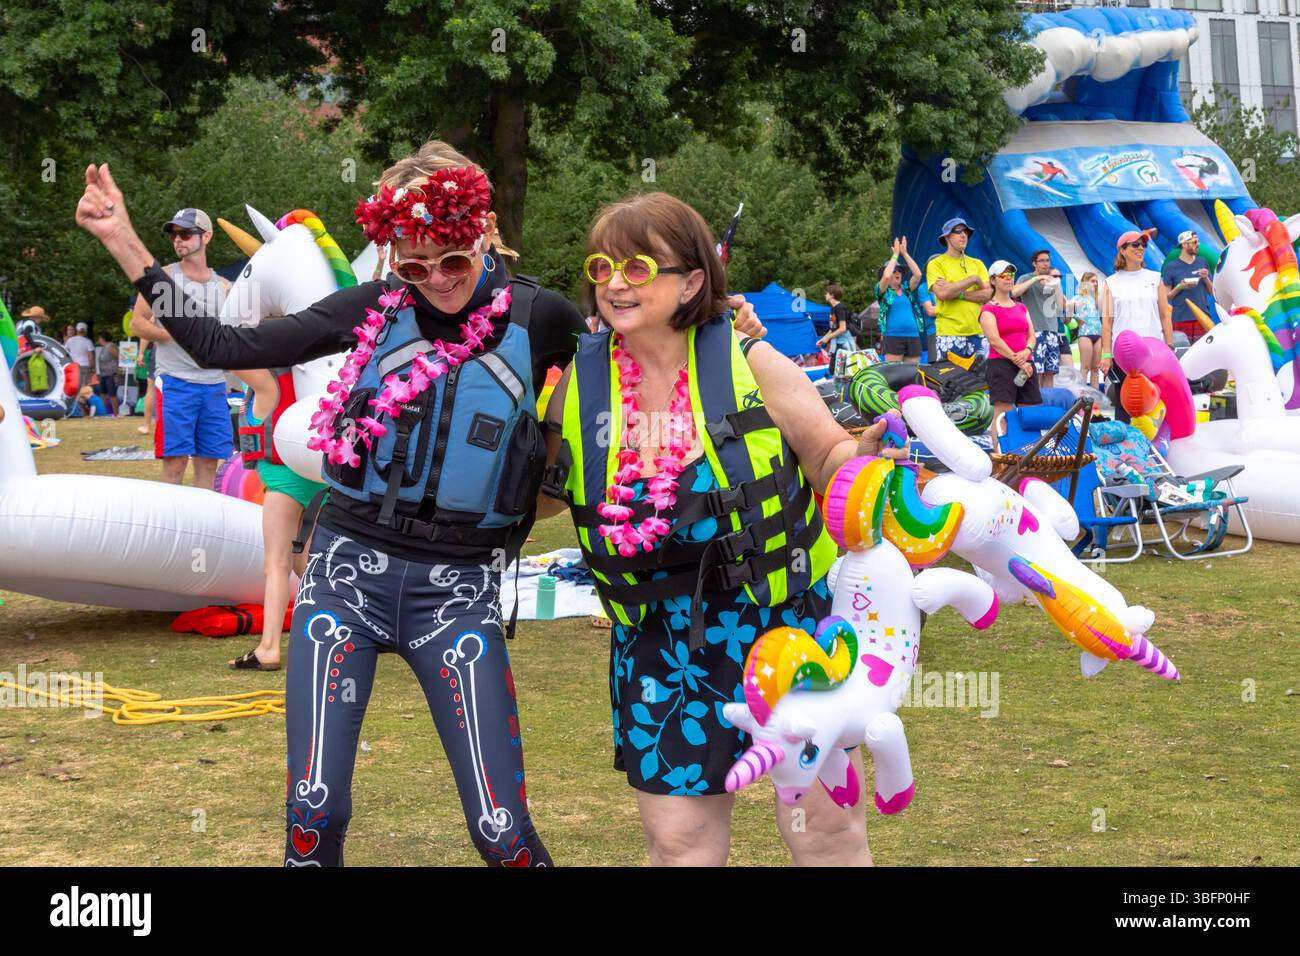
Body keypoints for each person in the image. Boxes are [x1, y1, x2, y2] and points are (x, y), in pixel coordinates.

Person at [75, 146, 764, 867]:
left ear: (485, 233)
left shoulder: (545, 319)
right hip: (344, 578)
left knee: (501, 830)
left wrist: (723, 329)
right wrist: (125, 241)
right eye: (413, 266)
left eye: (453, 263)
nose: (435, 281)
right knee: (313, 810)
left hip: (458, 594)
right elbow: (224, 342)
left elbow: (646, 348)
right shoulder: (375, 309)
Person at [540, 191, 907, 866]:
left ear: (694, 281)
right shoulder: (576, 387)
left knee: (823, 830)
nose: (614, 284)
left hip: (790, 628)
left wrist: (866, 457)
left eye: (638, 267)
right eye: (602, 268)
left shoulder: (751, 363)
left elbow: (827, 453)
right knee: (681, 844)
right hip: (659, 646)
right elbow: (544, 496)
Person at [129, 208, 233, 489]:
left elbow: (238, 332)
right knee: (175, 463)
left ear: (207, 236)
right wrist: (174, 334)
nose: (178, 240)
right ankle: (168, 531)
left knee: (208, 463)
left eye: (186, 233)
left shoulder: (223, 287)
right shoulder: (165, 278)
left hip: (213, 385)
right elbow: (137, 323)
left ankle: (203, 530)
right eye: (174, 235)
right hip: (175, 383)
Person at [1099, 230, 1172, 423]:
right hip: (1124, 355)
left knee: (1156, 400)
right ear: (1122, 250)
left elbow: (1165, 314)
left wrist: (1170, 346)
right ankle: (1125, 449)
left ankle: (1156, 447)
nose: (1141, 248)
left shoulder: (1155, 278)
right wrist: (1106, 355)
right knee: (1125, 404)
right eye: (1135, 244)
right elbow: (1107, 322)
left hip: (1153, 350)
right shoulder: (1111, 283)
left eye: (1143, 245)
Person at [978, 260, 1040, 453]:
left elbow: (1031, 335)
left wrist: (1027, 351)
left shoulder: (1021, 307)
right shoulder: (988, 309)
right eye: (1004, 275)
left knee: (1030, 412)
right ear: (993, 280)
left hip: (1026, 365)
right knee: (1002, 415)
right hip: (1002, 365)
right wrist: (1019, 360)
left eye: (1011, 275)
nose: (1009, 278)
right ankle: (1001, 456)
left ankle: (1029, 455)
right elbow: (994, 340)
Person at [926, 218, 992, 360]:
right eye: (957, 231)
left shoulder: (977, 263)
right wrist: (973, 280)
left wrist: (957, 292)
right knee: (950, 381)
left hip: (978, 332)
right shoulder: (936, 264)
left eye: (966, 231)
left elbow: (988, 294)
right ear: (946, 237)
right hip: (949, 333)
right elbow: (943, 293)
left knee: (980, 381)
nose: (963, 235)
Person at [1013, 250, 1065, 389]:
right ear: (1034, 263)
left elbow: (1061, 307)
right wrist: (1036, 279)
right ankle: (1035, 404)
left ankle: (1047, 405)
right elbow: (1014, 292)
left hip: (1052, 332)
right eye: (1042, 260)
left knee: (1050, 372)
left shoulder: (1053, 281)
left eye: (1047, 260)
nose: (1045, 263)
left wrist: (1057, 286)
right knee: (1036, 371)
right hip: (1034, 332)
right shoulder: (1026, 278)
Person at [873, 237, 925, 363]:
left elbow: (918, 274)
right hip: (893, 336)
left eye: (900, 271)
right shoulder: (883, 291)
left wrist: (905, 254)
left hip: (913, 336)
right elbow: (886, 276)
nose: (898, 273)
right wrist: (895, 255)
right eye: (894, 271)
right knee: (894, 375)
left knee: (913, 374)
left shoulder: (907, 289)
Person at [1161, 229, 1214, 343]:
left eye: (1198, 241)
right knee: (1184, 354)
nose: (1198, 244)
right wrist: (1180, 287)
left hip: (1202, 317)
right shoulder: (1171, 267)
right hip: (1181, 319)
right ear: (1184, 245)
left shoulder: (1202, 262)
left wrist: (1206, 278)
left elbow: (1211, 291)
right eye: (1194, 242)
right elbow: (1166, 297)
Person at [1067, 272, 1103, 390]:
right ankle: (1081, 397)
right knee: (1085, 367)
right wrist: (1076, 318)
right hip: (1085, 334)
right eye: (1092, 281)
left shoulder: (1097, 299)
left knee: (1095, 368)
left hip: (1098, 334)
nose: (1095, 283)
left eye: (1096, 281)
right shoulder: (1077, 299)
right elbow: (1066, 318)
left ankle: (1095, 398)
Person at [817, 284, 855, 358]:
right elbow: (833, 328)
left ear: (832, 295)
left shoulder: (840, 308)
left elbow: (842, 328)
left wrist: (828, 338)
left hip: (843, 343)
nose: (825, 295)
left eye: (827, 293)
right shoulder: (833, 309)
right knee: (833, 368)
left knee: (839, 368)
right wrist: (823, 339)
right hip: (836, 342)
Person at [94, 331, 119, 416]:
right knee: (102, 393)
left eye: (100, 338)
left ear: (103, 338)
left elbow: (119, 356)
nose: (99, 340)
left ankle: (116, 413)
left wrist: (118, 369)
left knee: (112, 394)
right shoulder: (103, 348)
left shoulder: (111, 346)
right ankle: (103, 412)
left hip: (111, 374)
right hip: (103, 374)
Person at [65, 322, 95, 391]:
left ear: (76, 330)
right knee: (84, 385)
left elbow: (65, 351)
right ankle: (82, 400)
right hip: (85, 365)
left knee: (75, 384)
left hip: (74, 365)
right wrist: (92, 368)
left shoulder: (70, 340)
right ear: (85, 331)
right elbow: (91, 356)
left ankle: (76, 400)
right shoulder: (88, 341)